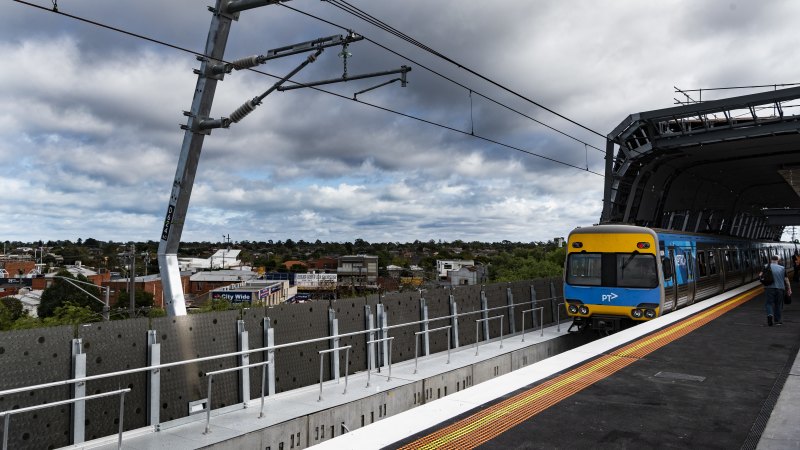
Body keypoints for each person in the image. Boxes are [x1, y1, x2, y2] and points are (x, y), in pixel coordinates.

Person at [760, 255, 791, 326]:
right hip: (780, 289)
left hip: (769, 288)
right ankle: (777, 321)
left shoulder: (766, 266)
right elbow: (786, 280)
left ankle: (770, 315)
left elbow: (760, 275)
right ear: (778, 260)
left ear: (771, 260)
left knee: (769, 303)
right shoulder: (782, 268)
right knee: (778, 304)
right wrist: (789, 289)